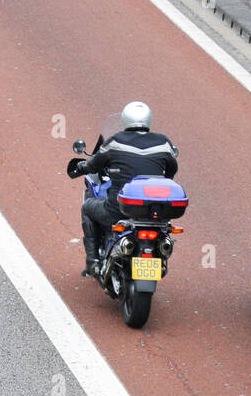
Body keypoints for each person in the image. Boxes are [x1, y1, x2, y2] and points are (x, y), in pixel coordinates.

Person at [71, 101, 178, 277]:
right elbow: (172, 171)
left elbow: (94, 164)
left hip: (118, 211)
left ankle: (92, 262)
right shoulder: (163, 142)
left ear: (125, 120)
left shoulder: (115, 142)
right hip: (155, 212)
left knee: (87, 208)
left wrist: (81, 167)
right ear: (148, 120)